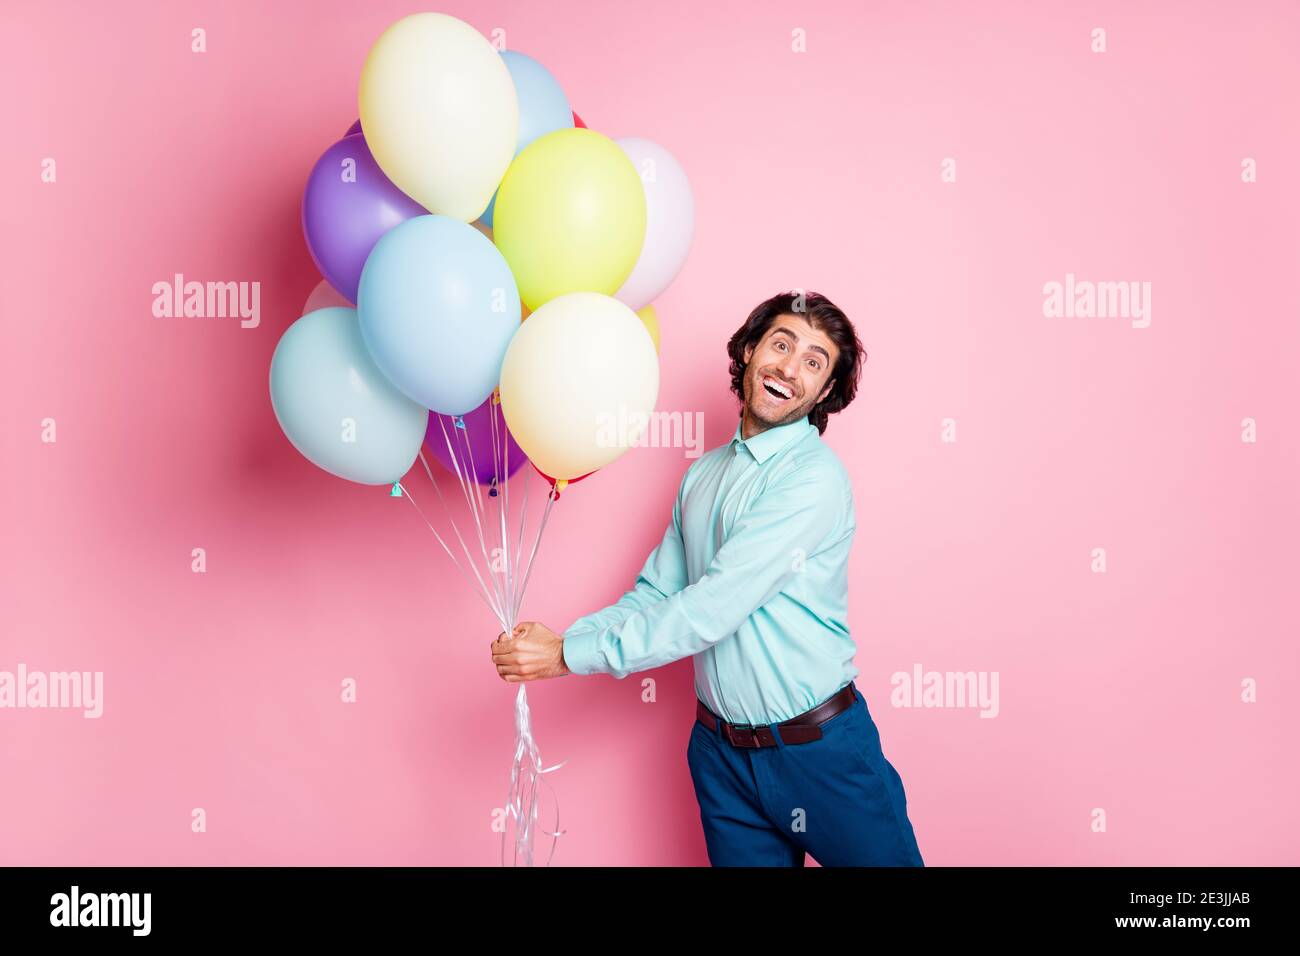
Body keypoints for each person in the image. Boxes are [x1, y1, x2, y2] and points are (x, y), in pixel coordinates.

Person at [490, 290, 924, 867]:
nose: (790, 368)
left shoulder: (814, 481)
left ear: (825, 393)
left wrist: (569, 653)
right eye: (781, 344)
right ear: (748, 351)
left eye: (814, 362)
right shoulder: (703, 476)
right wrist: (562, 640)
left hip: (818, 751)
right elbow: (658, 593)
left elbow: (712, 608)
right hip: (720, 753)